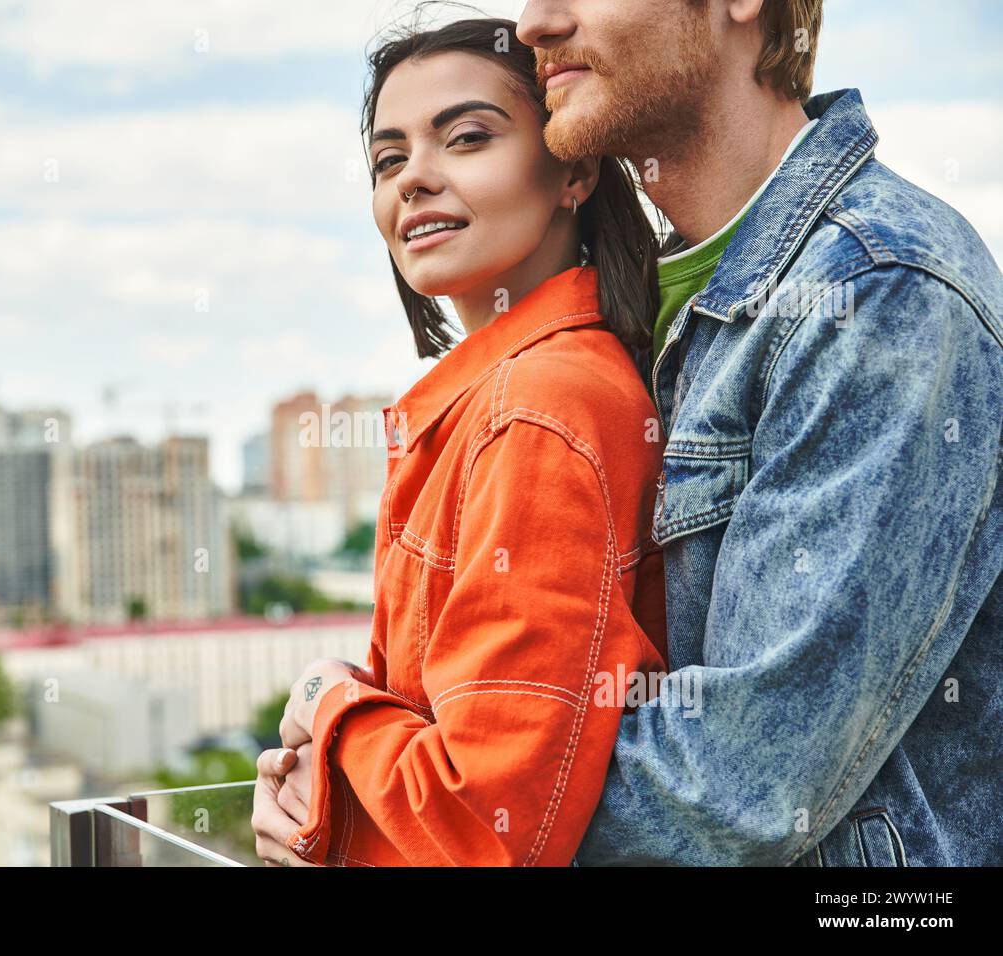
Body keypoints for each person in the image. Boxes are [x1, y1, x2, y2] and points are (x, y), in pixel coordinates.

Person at [506, 0, 1003, 865]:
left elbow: (747, 782)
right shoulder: (635, 308)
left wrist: (409, 794)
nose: (532, 22)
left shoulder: (877, 292)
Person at [250, 17, 669, 866]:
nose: (414, 181)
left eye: (466, 138)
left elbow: (485, 825)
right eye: (388, 159)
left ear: (574, 170)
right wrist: (320, 788)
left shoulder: (539, 410)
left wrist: (326, 700)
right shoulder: (489, 404)